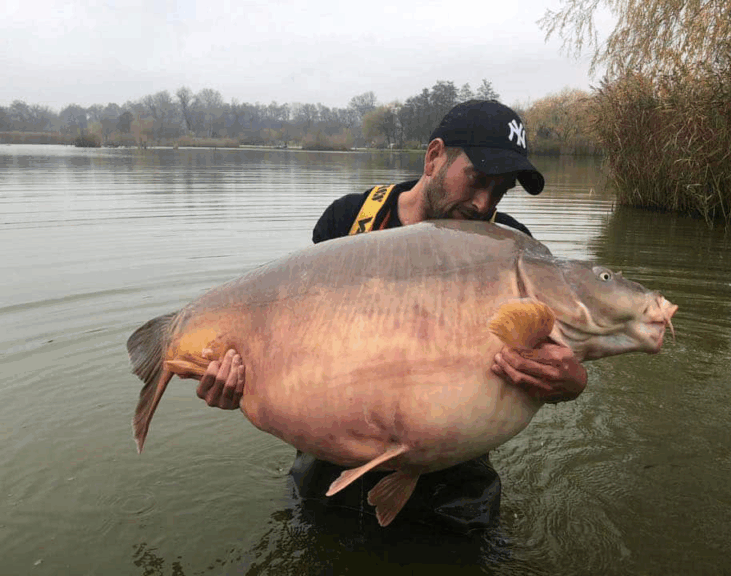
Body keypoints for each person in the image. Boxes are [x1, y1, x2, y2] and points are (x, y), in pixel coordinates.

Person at [194, 100, 587, 531]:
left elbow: (544, 359)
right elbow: (296, 347)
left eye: (500, 190)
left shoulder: (511, 247)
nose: (483, 203)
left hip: (453, 473)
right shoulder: (347, 221)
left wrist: (569, 383)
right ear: (434, 156)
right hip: (332, 459)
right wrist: (241, 382)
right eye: (477, 180)